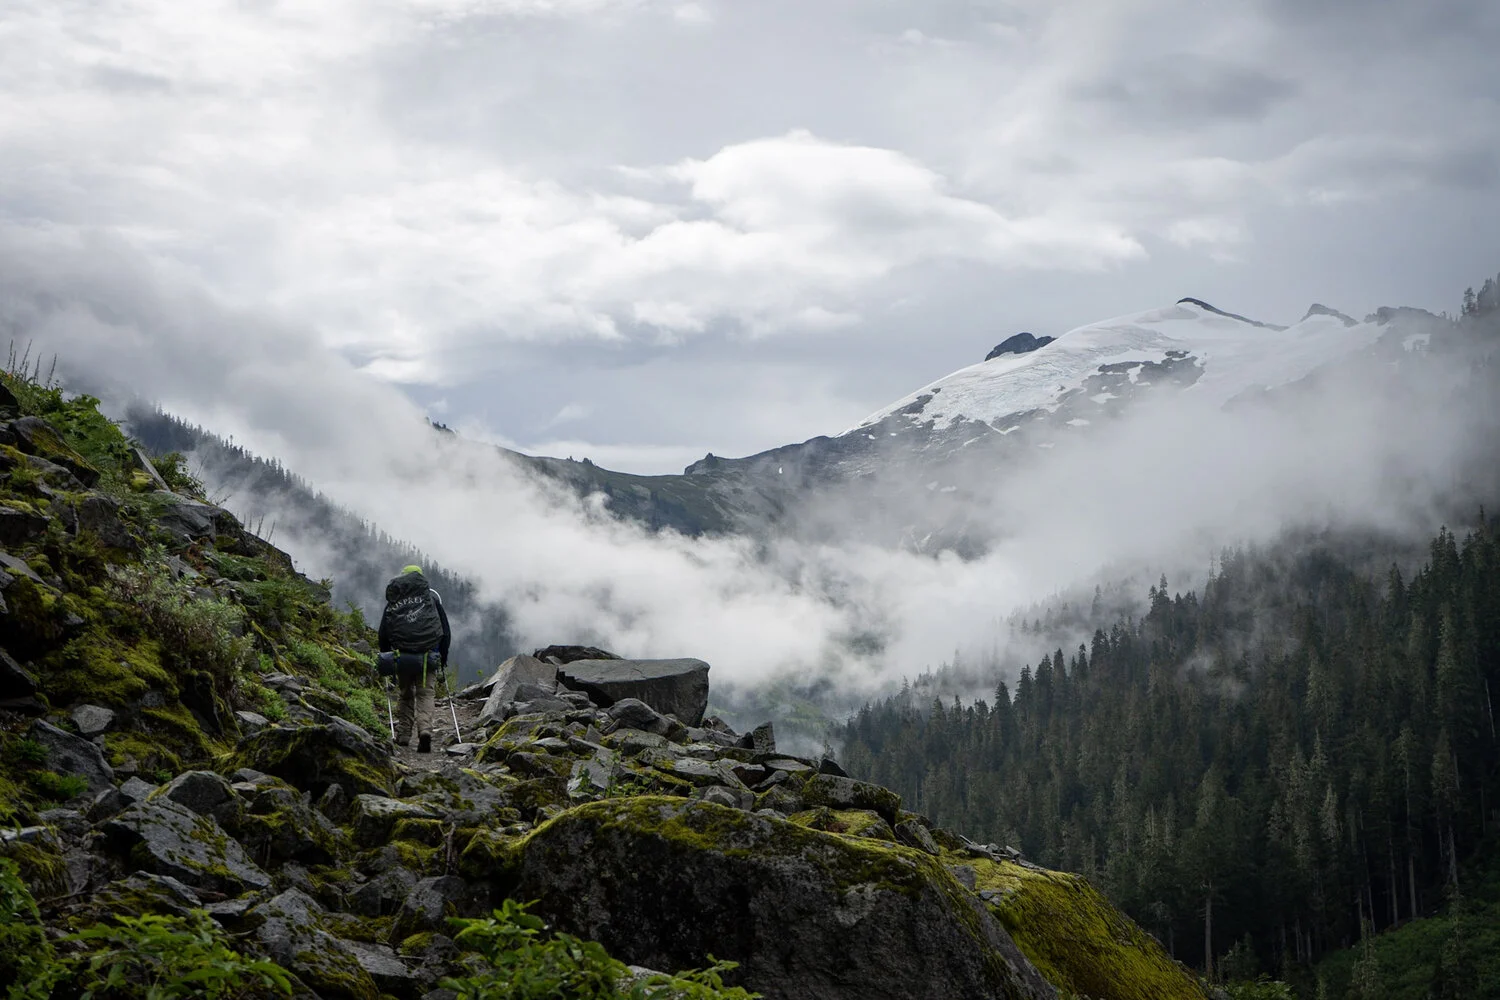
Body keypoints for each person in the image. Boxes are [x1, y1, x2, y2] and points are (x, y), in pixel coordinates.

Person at [377, 565, 451, 753]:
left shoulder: (395, 601)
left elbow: (383, 632)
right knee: (425, 693)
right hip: (428, 656)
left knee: (406, 694)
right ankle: (424, 731)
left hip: (402, 656)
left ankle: (403, 735)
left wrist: (387, 658)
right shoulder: (431, 599)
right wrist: (443, 657)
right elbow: (445, 632)